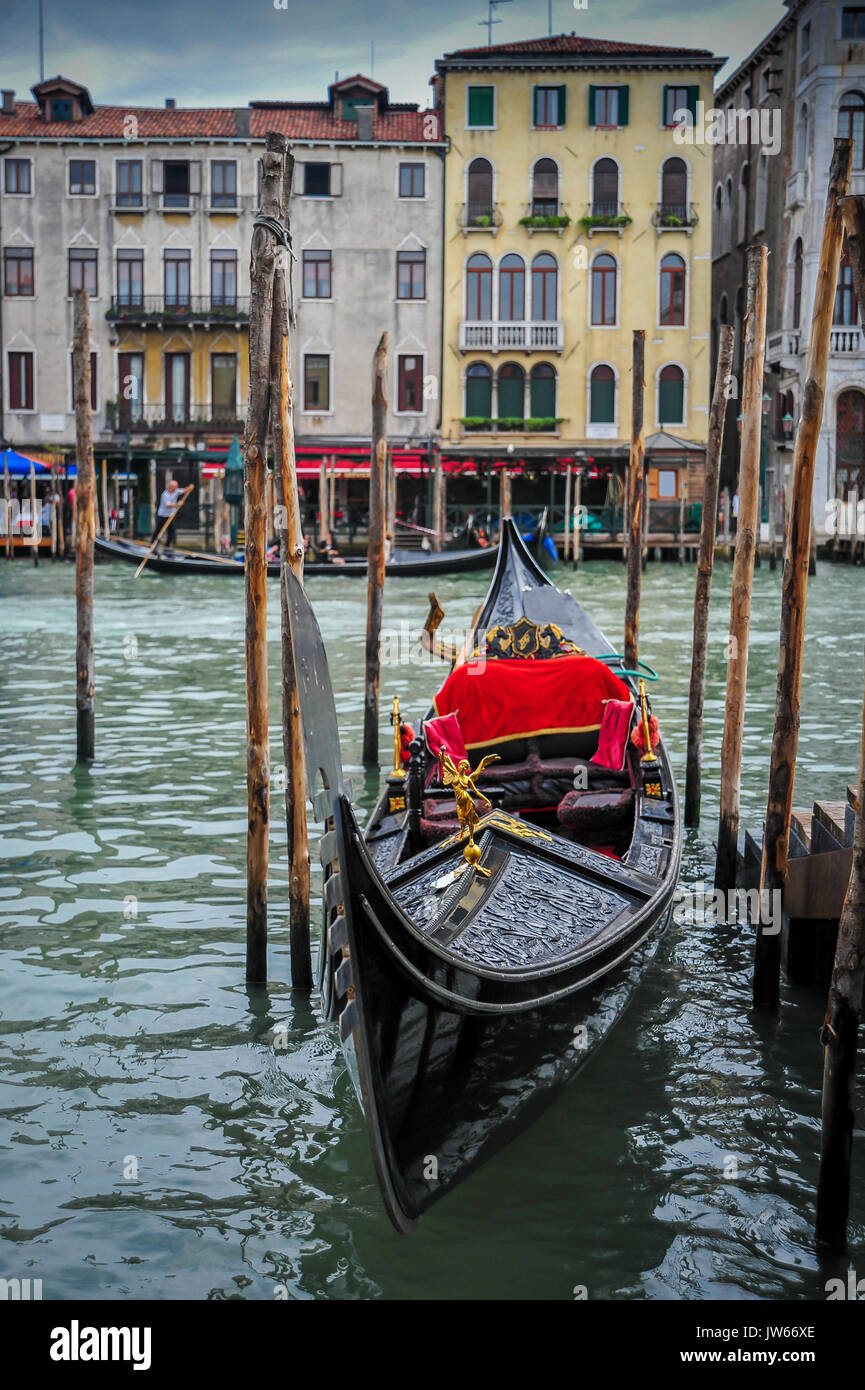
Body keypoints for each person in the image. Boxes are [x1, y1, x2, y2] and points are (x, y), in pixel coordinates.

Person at [151, 480, 190, 550]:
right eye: (175, 487)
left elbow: (184, 490)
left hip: (171, 515)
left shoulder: (176, 491)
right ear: (171, 487)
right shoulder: (165, 494)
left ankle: (167, 546)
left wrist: (190, 487)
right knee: (158, 530)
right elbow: (168, 505)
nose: (177, 488)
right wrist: (178, 504)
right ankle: (152, 544)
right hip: (162, 515)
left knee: (171, 531)